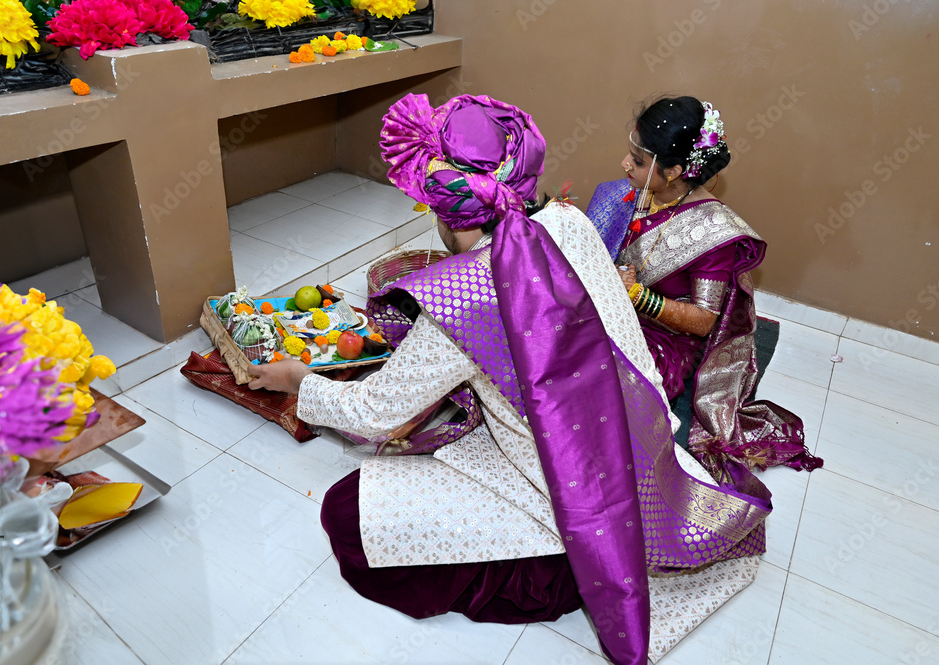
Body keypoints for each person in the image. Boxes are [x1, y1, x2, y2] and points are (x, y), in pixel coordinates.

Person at [248, 94, 772, 665]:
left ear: (443, 209)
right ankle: (595, 544)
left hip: (565, 476)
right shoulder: (567, 219)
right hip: (631, 447)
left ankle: (571, 565)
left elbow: (376, 413)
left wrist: (302, 381)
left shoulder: (465, 295)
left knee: (347, 515)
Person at [587, 96, 823, 483]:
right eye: (630, 153)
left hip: (663, 337)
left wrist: (635, 296)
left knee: (593, 377)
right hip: (609, 304)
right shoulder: (627, 194)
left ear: (675, 171)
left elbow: (701, 322)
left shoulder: (713, 233)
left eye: (639, 161)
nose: (625, 164)